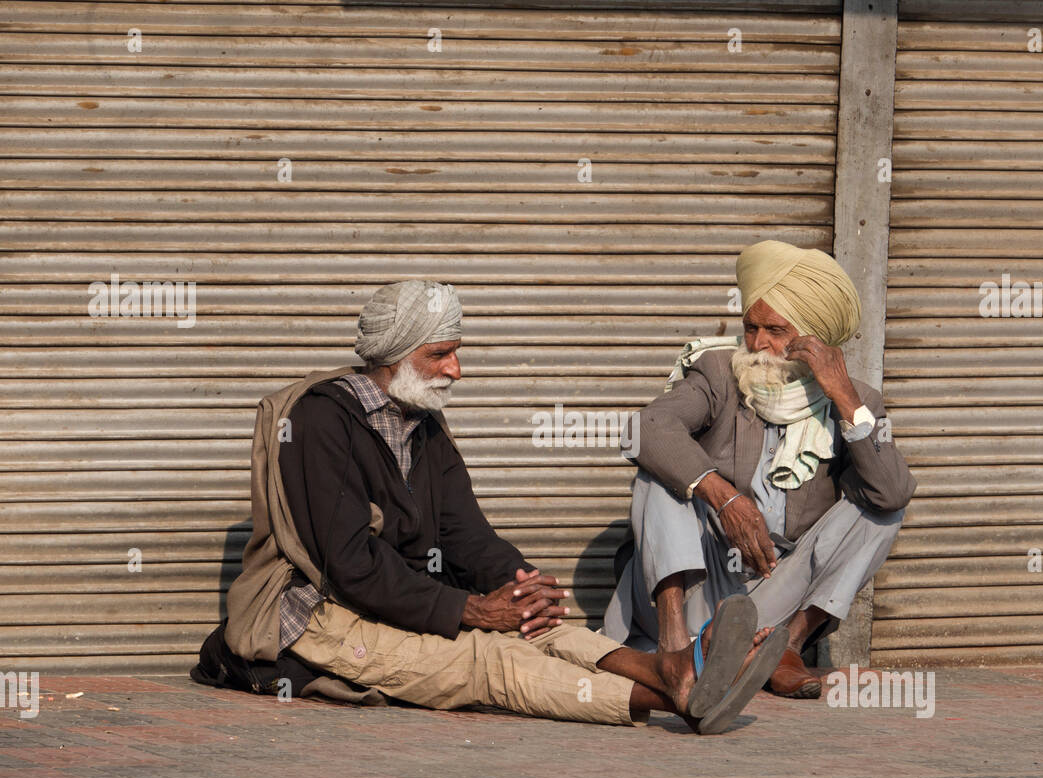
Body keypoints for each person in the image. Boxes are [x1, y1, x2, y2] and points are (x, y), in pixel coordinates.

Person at [215, 279, 787, 734]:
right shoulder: (320, 421)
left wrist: (520, 586)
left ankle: (673, 667)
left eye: (456, 354)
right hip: (320, 615)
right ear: (394, 356)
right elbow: (351, 564)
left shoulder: (422, 425)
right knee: (491, 664)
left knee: (545, 632)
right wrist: (471, 611)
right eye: (441, 355)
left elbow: (464, 534)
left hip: (396, 602)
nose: (456, 371)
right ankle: (674, 697)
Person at [603, 240, 916, 699]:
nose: (758, 344)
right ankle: (674, 650)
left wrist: (845, 399)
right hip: (699, 581)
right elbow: (646, 428)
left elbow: (892, 492)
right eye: (751, 327)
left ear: (815, 336)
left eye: (776, 330)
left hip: (774, 591)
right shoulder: (718, 371)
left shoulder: (857, 401)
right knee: (662, 473)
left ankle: (782, 649)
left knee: (881, 510)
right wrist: (723, 497)